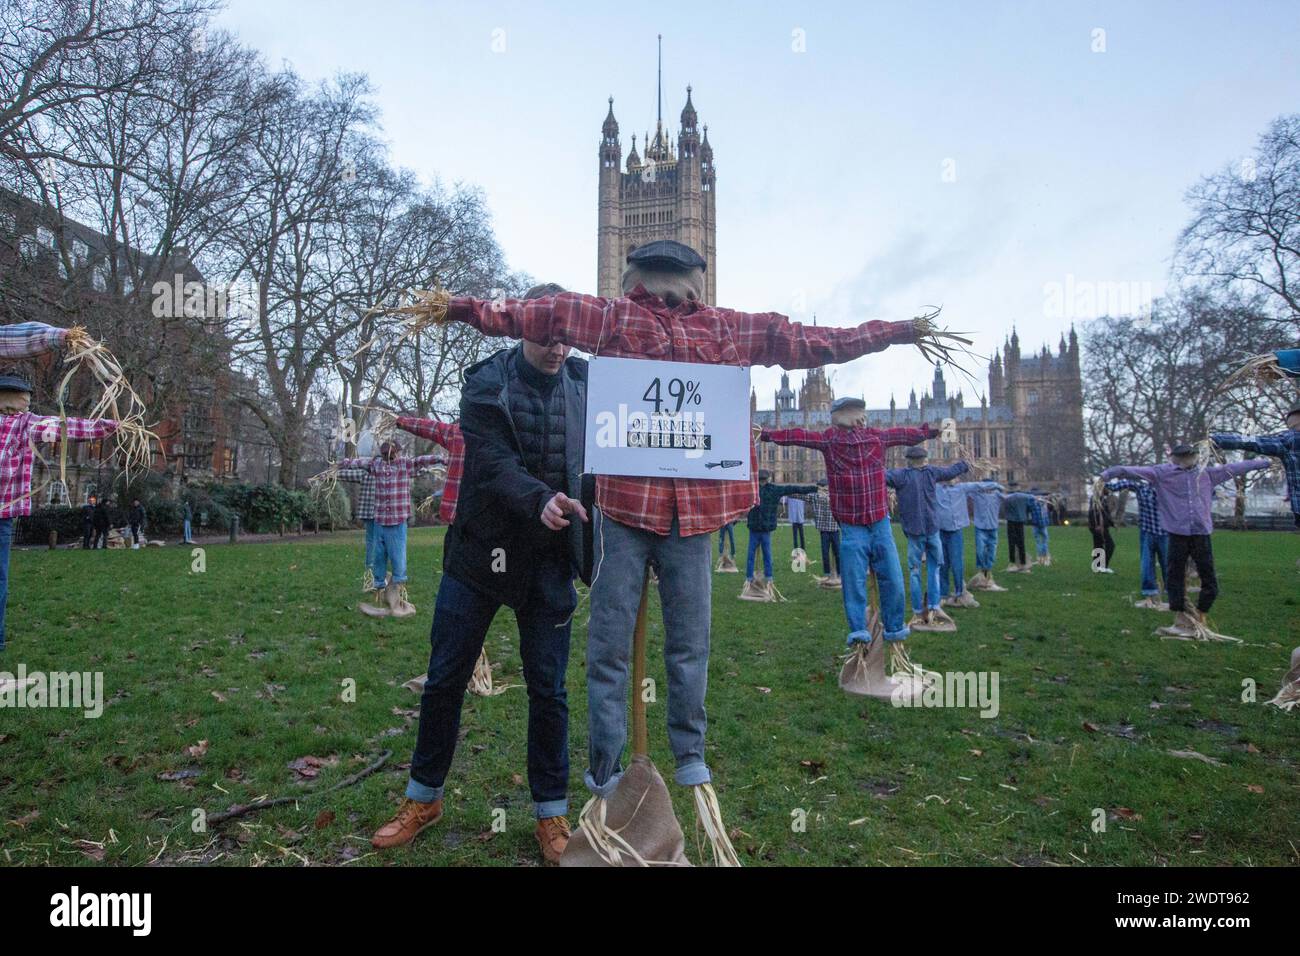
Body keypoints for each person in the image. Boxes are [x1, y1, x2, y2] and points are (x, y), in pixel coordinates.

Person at [436, 239, 931, 857]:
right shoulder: (683, 324)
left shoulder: (636, 320)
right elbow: (808, 341)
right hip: (644, 512)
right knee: (667, 648)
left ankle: (654, 769)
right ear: (692, 280)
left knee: (626, 650)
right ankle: (627, 778)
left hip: (670, 515)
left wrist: (459, 307)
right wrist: (894, 332)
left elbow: (539, 316)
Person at [371, 307, 589, 864]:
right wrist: (539, 498)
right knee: (445, 679)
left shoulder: (589, 385)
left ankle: (551, 814)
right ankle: (424, 798)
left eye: (565, 339)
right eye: (546, 338)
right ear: (522, 331)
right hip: (480, 555)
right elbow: (491, 462)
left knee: (550, 692)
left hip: (547, 562)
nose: (557, 349)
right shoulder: (485, 382)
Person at [762, 397, 936, 651]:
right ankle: (859, 630)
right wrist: (766, 434)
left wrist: (925, 432)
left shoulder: (875, 438)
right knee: (854, 580)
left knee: (892, 580)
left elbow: (905, 434)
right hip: (853, 524)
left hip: (878, 522)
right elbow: (796, 435)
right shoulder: (831, 441)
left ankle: (893, 627)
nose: (860, 418)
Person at [0, 355, 119, 651]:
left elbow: (67, 427)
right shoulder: (27, 424)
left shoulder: (27, 425)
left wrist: (106, 426)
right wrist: (109, 426)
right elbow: (70, 428)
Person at [1101, 444, 1270, 636]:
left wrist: (1264, 462)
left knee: (1208, 578)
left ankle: (1199, 616)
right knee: (1174, 578)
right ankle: (1181, 619)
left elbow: (1235, 468)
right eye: (1184, 457)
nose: (1188, 460)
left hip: (1200, 534)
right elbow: (1129, 471)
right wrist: (1106, 475)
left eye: (1190, 456)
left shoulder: (1207, 474)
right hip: (1176, 533)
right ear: (1175, 458)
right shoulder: (1162, 473)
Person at [337, 439, 443, 618]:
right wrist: (343, 463)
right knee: (379, 555)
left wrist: (441, 459)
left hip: (397, 521)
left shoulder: (404, 465)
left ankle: (396, 598)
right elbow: (360, 463)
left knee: (397, 556)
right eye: (386, 456)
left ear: (397, 453)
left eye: (391, 455)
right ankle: (381, 589)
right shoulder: (376, 465)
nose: (389, 458)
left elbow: (421, 460)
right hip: (380, 520)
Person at [886, 446, 968, 630]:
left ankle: (917, 610)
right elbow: (951, 472)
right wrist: (965, 463)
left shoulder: (902, 476)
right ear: (924, 459)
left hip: (915, 530)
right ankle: (934, 606)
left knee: (915, 571)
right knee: (934, 568)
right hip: (932, 529)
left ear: (908, 460)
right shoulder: (931, 472)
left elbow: (881, 475)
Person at [1212, 404, 1300, 531]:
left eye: (1293, 427)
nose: (1290, 431)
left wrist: (1217, 439)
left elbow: (1253, 442)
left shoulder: (1292, 440)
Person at [742, 471, 816, 600]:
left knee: (751, 555)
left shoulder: (752, 489)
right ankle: (769, 579)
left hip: (754, 528)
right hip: (766, 528)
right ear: (769, 478)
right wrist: (814, 488)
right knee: (767, 555)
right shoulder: (774, 490)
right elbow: (793, 488)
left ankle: (749, 579)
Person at [935, 478, 1004, 608]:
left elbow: (979, 484)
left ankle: (959, 592)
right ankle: (943, 594)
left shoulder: (962, 487)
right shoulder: (937, 488)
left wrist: (997, 485)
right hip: (940, 530)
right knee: (942, 563)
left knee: (957, 563)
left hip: (955, 531)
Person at [1106, 476, 1168, 608]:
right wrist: (1104, 482)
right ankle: (1150, 596)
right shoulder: (1142, 487)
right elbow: (1123, 484)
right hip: (1147, 533)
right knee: (1147, 565)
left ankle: (1174, 596)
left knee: (1168, 566)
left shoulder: (1168, 487)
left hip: (1165, 533)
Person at [395, 417, 464, 524]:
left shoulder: (457, 433)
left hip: (458, 516)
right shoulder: (497, 435)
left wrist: (402, 421)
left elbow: (430, 427)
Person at [336, 461, 380, 587]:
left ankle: (370, 572)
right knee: (381, 542)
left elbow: (345, 474)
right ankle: (379, 574)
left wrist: (332, 473)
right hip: (383, 514)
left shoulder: (364, 474)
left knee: (371, 541)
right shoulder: (386, 473)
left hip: (368, 513)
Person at [966, 483, 1006, 590]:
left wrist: (997, 486)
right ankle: (983, 574)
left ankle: (987, 574)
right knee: (980, 551)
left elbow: (1006, 494)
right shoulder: (976, 494)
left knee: (992, 551)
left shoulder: (997, 494)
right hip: (980, 527)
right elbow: (967, 490)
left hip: (993, 527)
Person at [803, 479, 841, 585]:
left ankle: (839, 574)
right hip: (824, 530)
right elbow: (800, 496)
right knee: (825, 552)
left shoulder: (834, 496)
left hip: (834, 529)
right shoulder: (815, 497)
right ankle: (827, 574)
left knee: (837, 552)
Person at [1001, 484, 1035, 572]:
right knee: (1021, 542)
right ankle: (1023, 562)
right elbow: (1030, 507)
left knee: (1011, 542)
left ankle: (1013, 562)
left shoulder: (1007, 498)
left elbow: (1003, 508)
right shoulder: (1024, 498)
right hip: (1020, 520)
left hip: (1011, 520)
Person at [1087, 487, 1115, 573]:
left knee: (1098, 545)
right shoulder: (1097, 499)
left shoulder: (1098, 498)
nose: (1109, 491)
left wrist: (1111, 523)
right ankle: (1103, 566)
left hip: (1098, 527)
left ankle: (1096, 566)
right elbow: (1093, 513)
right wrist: (1098, 525)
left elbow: (1104, 513)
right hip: (1099, 527)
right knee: (1110, 545)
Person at [1027, 490, 1051, 565]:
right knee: (1044, 542)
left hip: (1036, 525)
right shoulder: (1044, 503)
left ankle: (1040, 558)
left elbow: (1028, 506)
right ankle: (1045, 558)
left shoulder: (1033, 503)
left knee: (1039, 542)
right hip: (1043, 525)